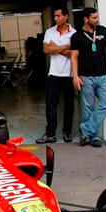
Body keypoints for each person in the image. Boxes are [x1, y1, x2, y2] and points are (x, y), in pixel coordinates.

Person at [69, 8, 106, 147]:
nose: (97, 20)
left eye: (97, 17)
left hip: (103, 76)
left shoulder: (103, 31)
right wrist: (75, 76)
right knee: (88, 108)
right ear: (86, 19)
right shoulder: (77, 36)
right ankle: (94, 137)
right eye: (93, 18)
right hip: (86, 77)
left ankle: (86, 129)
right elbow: (74, 57)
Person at [37, 7, 77, 144]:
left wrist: (55, 48)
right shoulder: (50, 32)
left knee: (69, 105)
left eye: (58, 16)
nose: (56, 18)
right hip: (53, 74)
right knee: (50, 105)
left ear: (66, 16)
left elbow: (74, 54)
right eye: (55, 16)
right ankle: (50, 134)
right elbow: (46, 49)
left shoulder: (75, 34)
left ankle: (67, 132)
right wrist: (65, 47)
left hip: (69, 74)